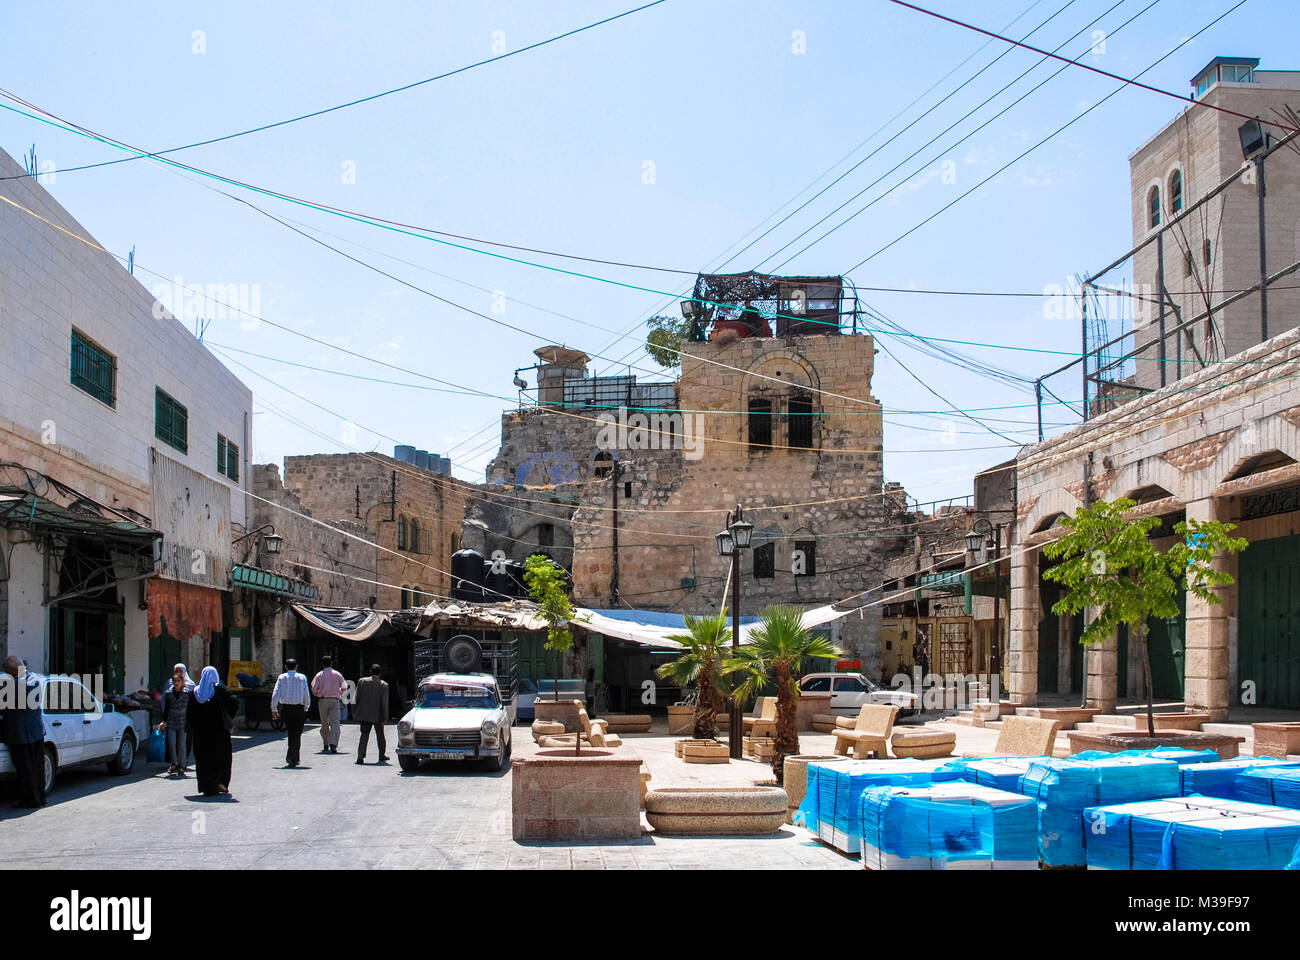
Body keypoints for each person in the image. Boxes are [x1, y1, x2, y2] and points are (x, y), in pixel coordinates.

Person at [1, 655, 46, 808]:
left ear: (12, 670)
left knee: (25, 769)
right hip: (36, 731)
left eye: (6, 671)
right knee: (37, 767)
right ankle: (40, 796)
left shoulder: (16, 685)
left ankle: (30, 799)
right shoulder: (33, 677)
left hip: (21, 733)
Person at [186, 666, 236, 797]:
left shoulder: (195, 692)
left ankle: (207, 787)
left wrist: (193, 728)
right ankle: (220, 783)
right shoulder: (219, 689)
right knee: (221, 758)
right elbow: (234, 701)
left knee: (203, 760)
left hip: (201, 734)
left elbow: (189, 714)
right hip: (219, 732)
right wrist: (227, 715)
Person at [270, 658, 311, 768]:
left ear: (286, 667)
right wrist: (306, 707)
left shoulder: (282, 677)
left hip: (286, 709)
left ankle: (293, 757)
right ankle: (293, 757)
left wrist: (274, 709)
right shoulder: (302, 677)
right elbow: (306, 693)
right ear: (296, 667)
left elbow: (276, 693)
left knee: (291, 733)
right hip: (299, 709)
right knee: (297, 733)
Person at [158, 664, 194, 776]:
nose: (176, 683)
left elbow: (191, 708)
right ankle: (174, 763)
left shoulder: (188, 692)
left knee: (182, 745)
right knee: (172, 743)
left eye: (179, 680)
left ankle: (182, 766)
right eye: (175, 681)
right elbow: (166, 707)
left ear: (182, 682)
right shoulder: (169, 693)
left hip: (183, 722)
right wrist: (164, 721)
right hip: (172, 721)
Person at [352, 664, 390, 765]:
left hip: (364, 714)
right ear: (380, 673)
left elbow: (356, 698)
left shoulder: (362, 681)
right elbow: (384, 703)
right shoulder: (384, 685)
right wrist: (385, 718)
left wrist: (355, 712)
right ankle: (382, 755)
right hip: (378, 715)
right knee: (380, 736)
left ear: (370, 671)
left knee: (364, 735)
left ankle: (360, 756)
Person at [311, 656, 348, 754]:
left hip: (323, 701)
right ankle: (333, 744)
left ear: (322, 664)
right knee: (335, 723)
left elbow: (314, 689)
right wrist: (339, 692)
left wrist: (318, 693)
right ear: (331, 663)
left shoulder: (319, 675)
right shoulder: (337, 674)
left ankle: (326, 743)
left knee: (324, 723)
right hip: (334, 700)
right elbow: (345, 687)